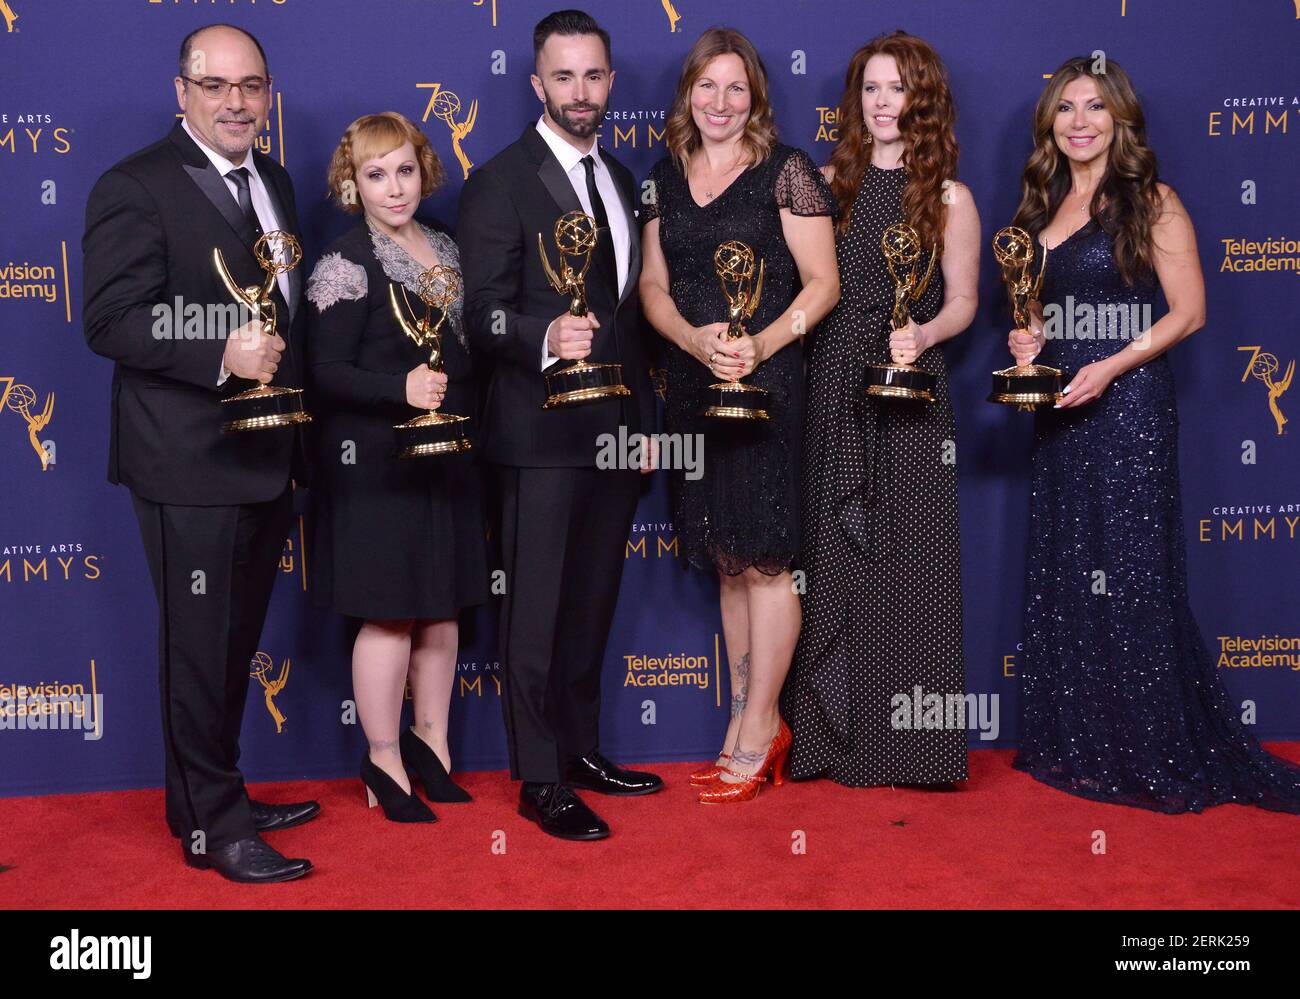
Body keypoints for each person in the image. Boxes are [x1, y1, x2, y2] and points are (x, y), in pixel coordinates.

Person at [1007, 57, 1300, 813]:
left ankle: (1153, 745)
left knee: (1133, 572)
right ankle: (1079, 739)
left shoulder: (1152, 201)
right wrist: (1029, 344)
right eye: (1066, 108)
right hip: (1062, 406)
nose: (1079, 121)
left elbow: (1189, 311)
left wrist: (1110, 366)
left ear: (1120, 119)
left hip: (1129, 404)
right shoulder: (1038, 208)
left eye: (1095, 107)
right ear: (1050, 123)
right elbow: (1036, 310)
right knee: (1069, 564)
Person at [81, 24, 317, 882]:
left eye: (250, 86)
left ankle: (209, 797)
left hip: (264, 455)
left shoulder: (275, 181)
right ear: (181, 91)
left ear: (267, 95)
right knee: (198, 648)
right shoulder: (134, 185)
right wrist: (221, 346)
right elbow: (108, 319)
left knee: (228, 646)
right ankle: (215, 828)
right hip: (185, 463)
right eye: (214, 85)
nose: (235, 102)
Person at [456, 9, 662, 841]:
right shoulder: (499, 180)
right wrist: (542, 336)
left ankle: (580, 749)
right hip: (536, 433)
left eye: (595, 76)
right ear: (537, 84)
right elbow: (478, 315)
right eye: (564, 77)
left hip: (613, 430)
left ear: (611, 82)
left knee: (590, 603)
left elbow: (631, 320)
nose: (582, 92)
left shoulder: (621, 176)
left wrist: (644, 420)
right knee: (535, 610)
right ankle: (539, 776)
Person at [640, 27, 840, 803]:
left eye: (736, 88)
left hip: (769, 386)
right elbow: (654, 288)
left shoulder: (787, 173)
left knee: (764, 558)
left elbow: (821, 283)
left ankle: (764, 726)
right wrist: (693, 339)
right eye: (707, 86)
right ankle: (739, 717)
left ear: (755, 96)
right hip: (694, 385)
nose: (721, 103)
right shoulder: (660, 177)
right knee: (728, 559)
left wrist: (760, 344)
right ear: (688, 92)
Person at [781, 32, 979, 788]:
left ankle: (918, 751)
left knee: (916, 563)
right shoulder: (826, 183)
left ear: (922, 100)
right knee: (835, 559)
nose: (883, 102)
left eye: (898, 89)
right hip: (835, 376)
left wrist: (923, 330)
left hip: (913, 385)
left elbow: (963, 302)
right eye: (871, 88)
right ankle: (832, 743)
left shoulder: (952, 197)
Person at [305, 112, 487, 823]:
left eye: (404, 170)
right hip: (373, 465)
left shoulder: (445, 244)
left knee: (440, 610)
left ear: (424, 169)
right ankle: (381, 756)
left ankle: (430, 747)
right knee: (390, 615)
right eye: (375, 174)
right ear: (353, 183)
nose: (394, 188)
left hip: (445, 458)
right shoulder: (344, 262)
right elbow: (323, 371)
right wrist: (399, 389)